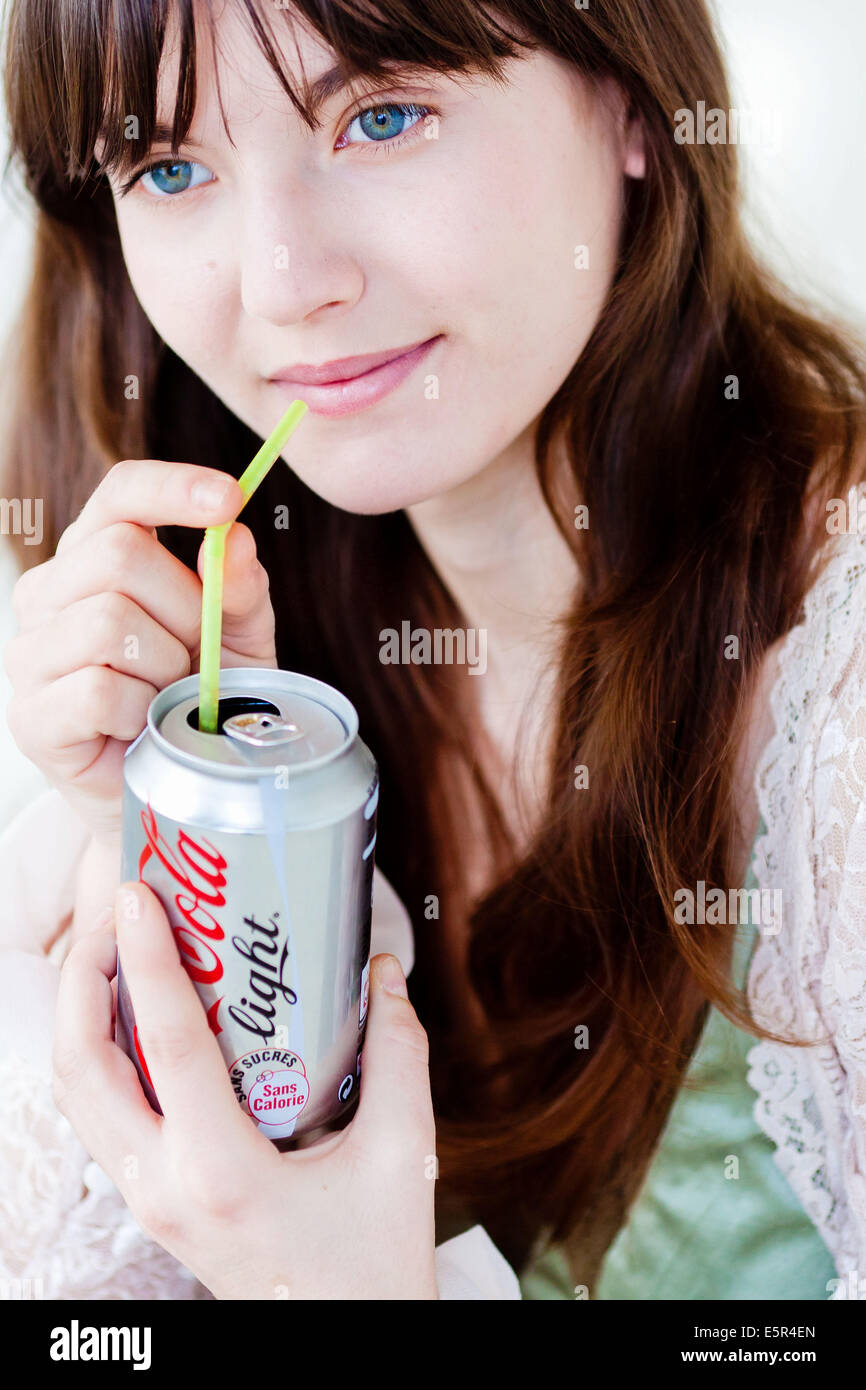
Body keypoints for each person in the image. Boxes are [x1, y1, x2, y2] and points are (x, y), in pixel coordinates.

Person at [1, 0, 865, 1299]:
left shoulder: (835, 683)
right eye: (171, 168)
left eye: (383, 116)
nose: (286, 282)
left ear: (630, 102)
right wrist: (143, 835)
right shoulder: (218, 631)